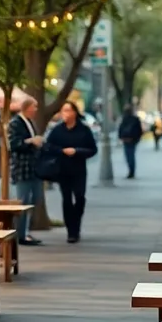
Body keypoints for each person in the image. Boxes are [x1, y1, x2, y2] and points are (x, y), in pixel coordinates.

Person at [44, 101, 98, 243]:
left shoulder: (84, 130)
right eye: (63, 111)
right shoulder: (57, 130)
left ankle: (76, 225)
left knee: (80, 198)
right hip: (63, 169)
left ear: (74, 112)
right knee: (66, 200)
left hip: (79, 169)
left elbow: (93, 149)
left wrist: (77, 151)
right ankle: (71, 232)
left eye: (68, 110)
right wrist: (61, 151)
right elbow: (48, 146)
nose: (65, 113)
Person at [7, 96, 45, 245]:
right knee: (23, 201)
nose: (36, 109)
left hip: (33, 167)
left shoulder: (30, 122)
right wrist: (30, 141)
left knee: (35, 199)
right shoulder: (15, 123)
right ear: (27, 107)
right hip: (22, 168)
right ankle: (21, 234)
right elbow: (14, 144)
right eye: (34, 106)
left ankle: (25, 231)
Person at [117, 105, 143, 179]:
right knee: (131, 155)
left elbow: (120, 129)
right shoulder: (135, 119)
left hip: (126, 139)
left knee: (128, 156)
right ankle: (132, 171)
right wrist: (137, 139)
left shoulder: (124, 119)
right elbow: (139, 131)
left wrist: (121, 137)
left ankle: (131, 171)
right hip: (132, 140)